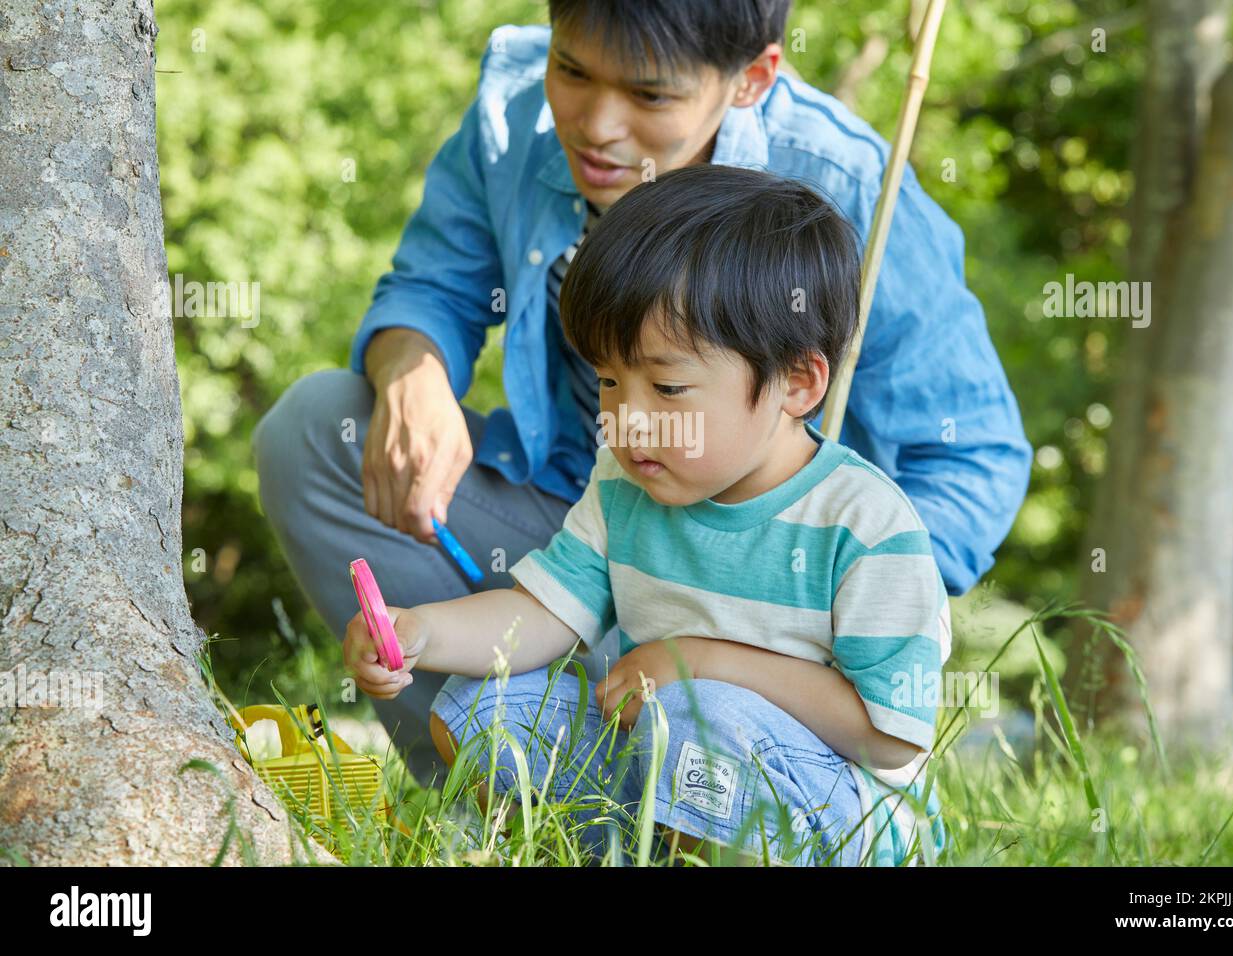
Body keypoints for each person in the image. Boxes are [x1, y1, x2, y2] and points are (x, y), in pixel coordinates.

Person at [253, 0, 1030, 791]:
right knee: (318, 431)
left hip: (789, 600)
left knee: (730, 727)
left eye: (651, 96)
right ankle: (505, 800)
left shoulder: (850, 185)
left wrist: (835, 611)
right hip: (597, 527)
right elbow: (432, 287)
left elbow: (972, 457)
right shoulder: (512, 116)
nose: (596, 125)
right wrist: (412, 377)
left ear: (752, 77)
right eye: (573, 69)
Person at [347, 164, 951, 865]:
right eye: (609, 380)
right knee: (484, 708)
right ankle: (594, 853)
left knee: (704, 713)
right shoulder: (626, 485)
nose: (628, 421)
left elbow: (892, 735)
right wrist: (420, 631)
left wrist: (698, 663)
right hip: (669, 759)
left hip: (836, 822)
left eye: (667, 386)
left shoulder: (865, 525)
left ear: (797, 381)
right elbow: (542, 616)